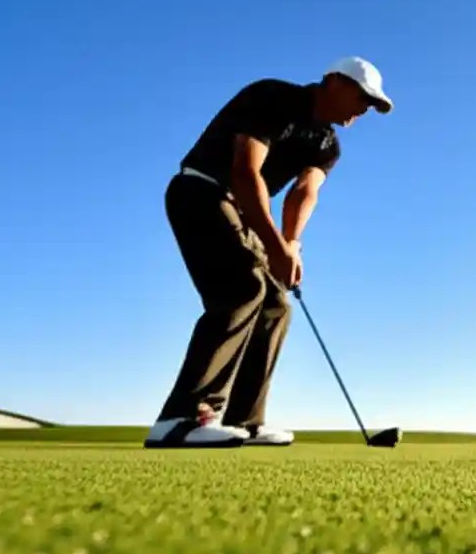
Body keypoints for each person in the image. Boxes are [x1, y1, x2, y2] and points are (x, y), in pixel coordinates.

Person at [144, 56, 394, 449]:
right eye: (363, 97)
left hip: (242, 211)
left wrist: (291, 247)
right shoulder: (273, 96)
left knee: (277, 302)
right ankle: (183, 417)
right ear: (333, 81)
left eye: (372, 104)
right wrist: (274, 246)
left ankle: (246, 420)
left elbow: (303, 192)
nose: (365, 109)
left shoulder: (328, 145)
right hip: (201, 191)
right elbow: (246, 171)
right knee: (241, 289)